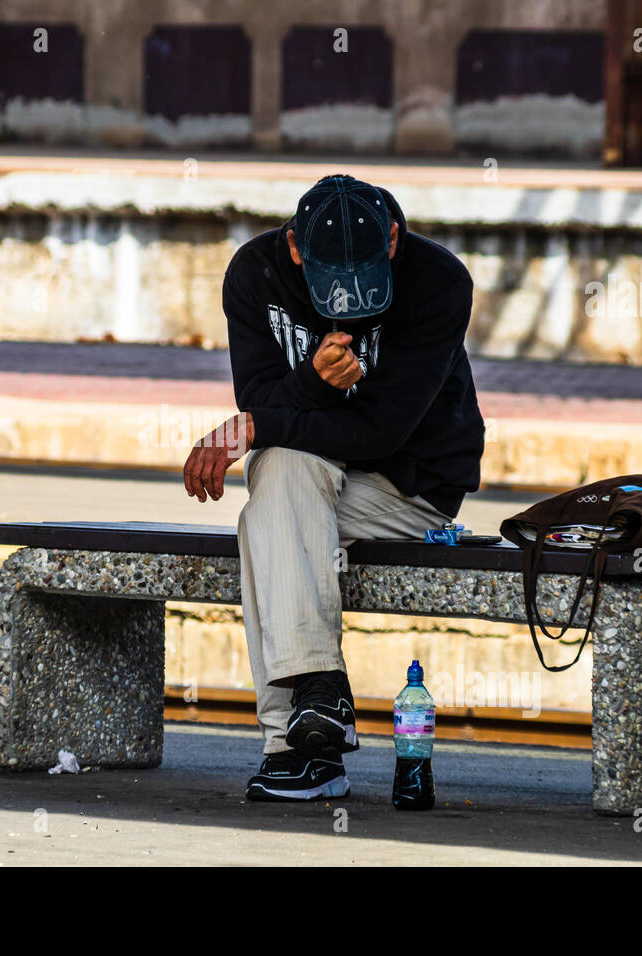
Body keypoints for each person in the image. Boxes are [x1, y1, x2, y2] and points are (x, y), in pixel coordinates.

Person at [182, 174, 485, 801]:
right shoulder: (256, 274)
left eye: (363, 286)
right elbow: (263, 401)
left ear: (393, 243)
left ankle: (293, 749)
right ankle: (320, 700)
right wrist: (312, 388)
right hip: (310, 483)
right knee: (279, 477)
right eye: (329, 286)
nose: (346, 306)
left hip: (410, 491)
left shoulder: (439, 282)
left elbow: (379, 432)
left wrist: (265, 421)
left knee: (266, 511)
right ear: (295, 249)